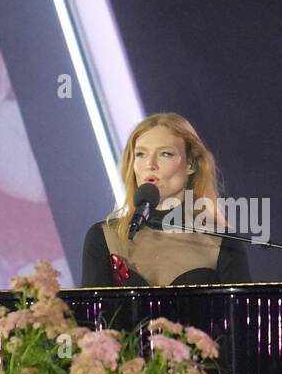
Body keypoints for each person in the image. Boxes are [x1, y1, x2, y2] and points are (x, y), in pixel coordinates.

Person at [81, 113, 251, 286]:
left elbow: (241, 312)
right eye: (140, 154)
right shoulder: (103, 238)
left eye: (165, 154)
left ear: (191, 164)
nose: (150, 164)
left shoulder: (222, 242)